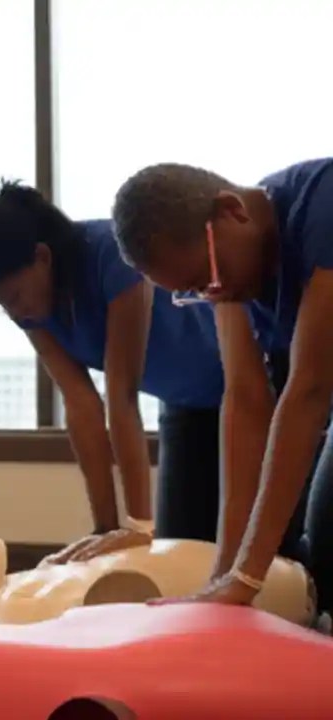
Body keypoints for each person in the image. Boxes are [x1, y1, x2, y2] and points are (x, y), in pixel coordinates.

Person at [0, 181, 308, 566]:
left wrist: (137, 525)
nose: (13, 313)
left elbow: (121, 397)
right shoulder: (32, 311)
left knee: (269, 548)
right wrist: (105, 529)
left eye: (13, 296)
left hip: (260, 383)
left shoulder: (112, 256)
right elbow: (82, 405)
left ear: (42, 257)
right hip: (187, 403)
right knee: (181, 554)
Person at [110, 158, 333, 613]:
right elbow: (247, 401)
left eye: (207, 278)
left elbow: (309, 392)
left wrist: (247, 577)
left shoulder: (322, 208)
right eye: (194, 290)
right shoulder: (228, 279)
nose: (212, 294)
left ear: (232, 211)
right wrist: (224, 578)